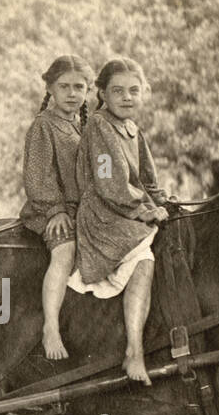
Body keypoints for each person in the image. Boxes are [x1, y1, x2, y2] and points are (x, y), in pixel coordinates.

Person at [69, 57, 171, 385]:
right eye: (117, 91)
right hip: (104, 214)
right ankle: (133, 351)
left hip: (123, 209)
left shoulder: (131, 129)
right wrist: (144, 210)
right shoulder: (100, 126)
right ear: (102, 93)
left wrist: (163, 202)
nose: (127, 97)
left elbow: (149, 179)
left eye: (134, 91)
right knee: (144, 259)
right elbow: (108, 184)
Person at [19, 54, 93, 360]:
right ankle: (51, 327)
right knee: (64, 252)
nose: (72, 94)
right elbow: (38, 178)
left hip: (84, 211)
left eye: (79, 87)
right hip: (48, 210)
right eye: (64, 87)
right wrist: (56, 210)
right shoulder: (43, 126)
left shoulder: (84, 126)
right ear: (50, 88)